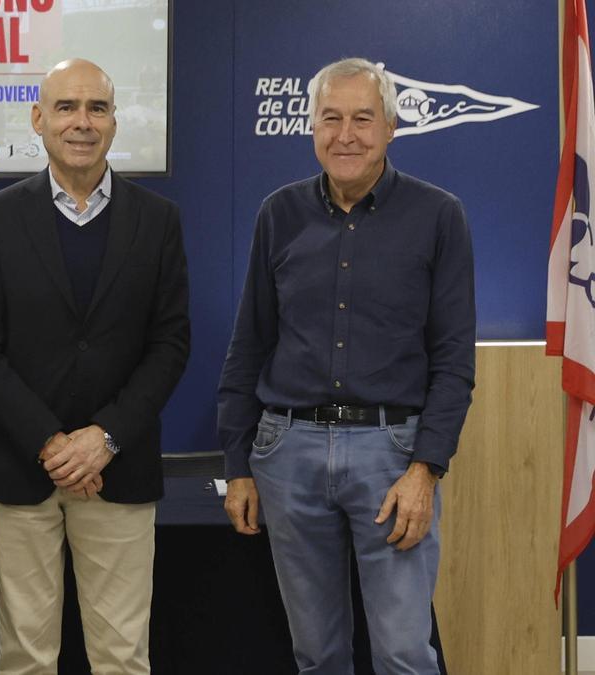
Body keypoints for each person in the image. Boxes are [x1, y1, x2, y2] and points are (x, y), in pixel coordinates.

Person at [218, 57, 475, 675]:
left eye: (363, 119)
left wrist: (426, 470)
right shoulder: (277, 214)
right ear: (312, 128)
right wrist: (238, 465)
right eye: (330, 119)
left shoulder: (439, 216)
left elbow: (453, 360)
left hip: (392, 459)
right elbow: (248, 344)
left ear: (391, 127)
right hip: (288, 454)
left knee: (403, 653)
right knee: (317, 655)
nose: (346, 135)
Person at [0, 58, 190, 674]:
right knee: (26, 657)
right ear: (38, 119)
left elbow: (170, 344)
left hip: (121, 466)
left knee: (122, 658)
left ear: (115, 122)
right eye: (66, 107)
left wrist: (105, 437)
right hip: (21, 467)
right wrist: (51, 443)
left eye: (97, 108)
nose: (82, 122)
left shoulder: (158, 220)